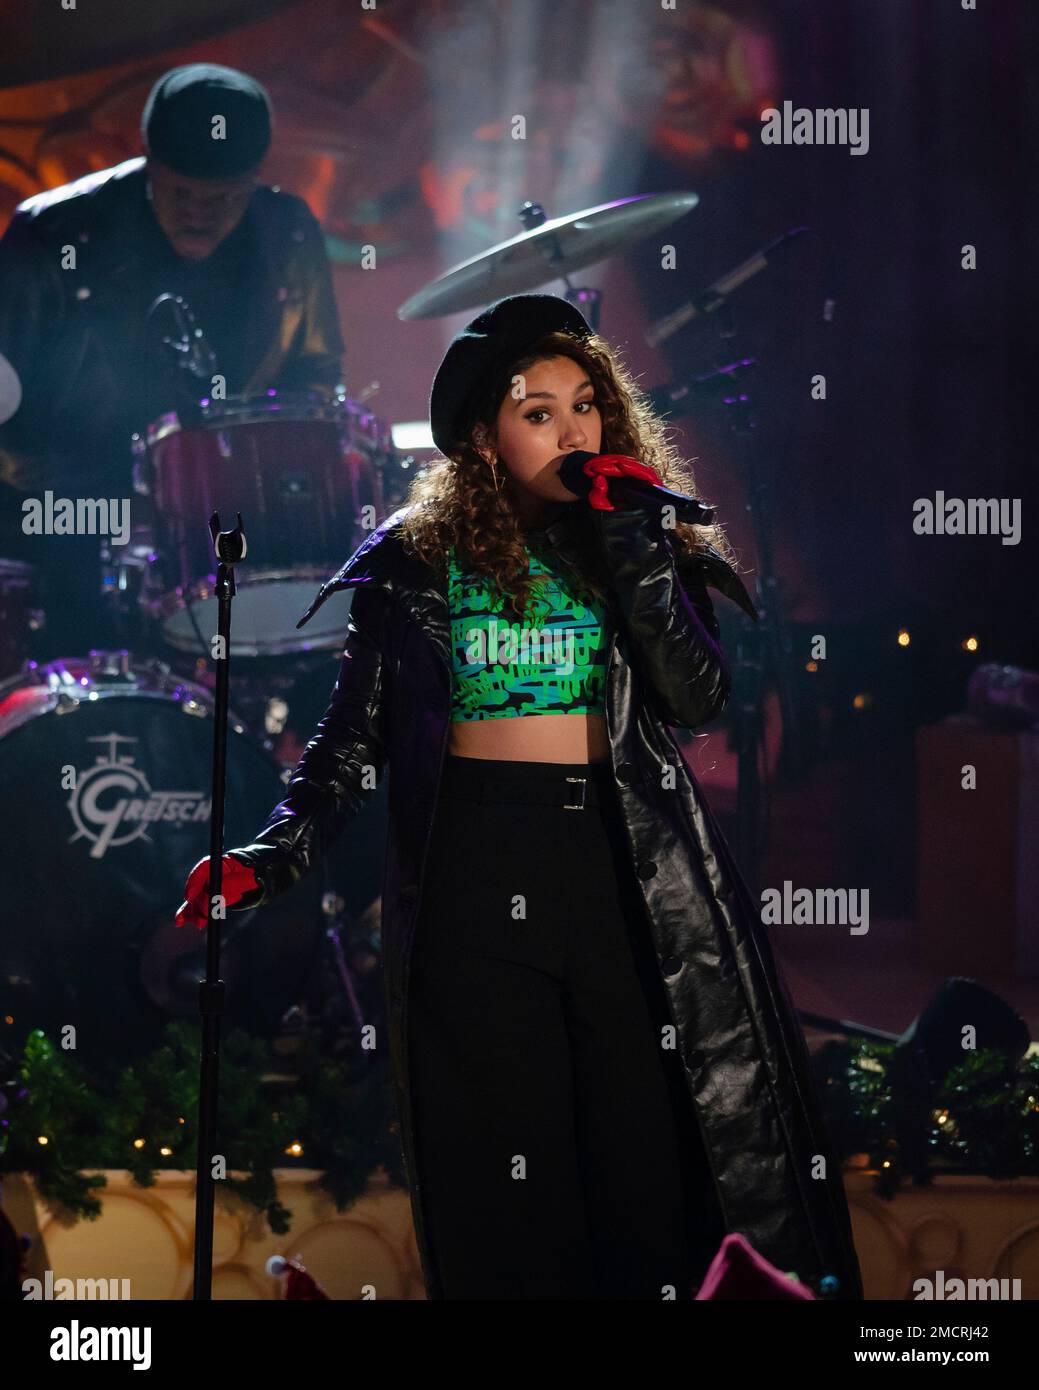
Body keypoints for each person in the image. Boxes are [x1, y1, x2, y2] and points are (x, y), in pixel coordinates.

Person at [177, 293, 863, 1302]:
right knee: (509, 1187)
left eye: (584, 403)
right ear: (482, 437)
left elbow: (697, 699)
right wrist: (268, 855)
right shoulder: (415, 563)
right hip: (476, 881)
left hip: (619, 869)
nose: (571, 426)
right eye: (536, 409)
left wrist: (634, 548)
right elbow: (346, 745)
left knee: (644, 1167)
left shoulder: (640, 542)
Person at [0, 62, 344, 653]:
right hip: (74, 510)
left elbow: (315, 380)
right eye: (179, 191)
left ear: (255, 178)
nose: (197, 212)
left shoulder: (287, 229)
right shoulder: (53, 231)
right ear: (147, 164)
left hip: (232, 515)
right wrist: (114, 508)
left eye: (224, 197)